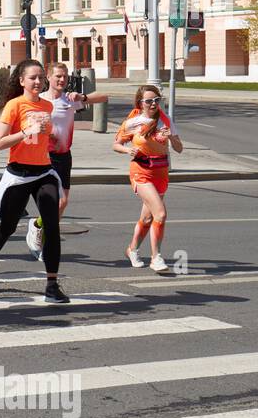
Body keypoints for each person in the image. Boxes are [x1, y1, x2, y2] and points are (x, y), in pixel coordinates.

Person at [0, 59, 68, 303]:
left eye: (41, 77)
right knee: (8, 227)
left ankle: (52, 284)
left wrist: (50, 135)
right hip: (18, 175)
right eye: (33, 78)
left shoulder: (48, 106)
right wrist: (25, 133)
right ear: (21, 81)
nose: (38, 81)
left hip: (43, 172)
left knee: (52, 225)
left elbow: (47, 136)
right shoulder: (14, 105)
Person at [29, 62, 110, 257]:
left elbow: (104, 97)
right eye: (58, 76)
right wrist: (46, 137)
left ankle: (39, 226)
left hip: (64, 156)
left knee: (62, 203)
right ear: (48, 77)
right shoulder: (39, 102)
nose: (62, 79)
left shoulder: (69, 100)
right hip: (44, 157)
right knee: (53, 202)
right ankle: (47, 241)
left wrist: (82, 96)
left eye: (65, 76)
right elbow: (31, 135)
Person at [113, 84, 183, 274]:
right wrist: (128, 149)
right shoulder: (133, 122)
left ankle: (132, 249)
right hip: (141, 171)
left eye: (156, 100)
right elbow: (116, 144)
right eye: (149, 101)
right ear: (140, 103)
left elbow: (179, 148)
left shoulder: (165, 121)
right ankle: (156, 257)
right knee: (160, 213)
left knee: (147, 217)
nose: (153, 104)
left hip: (161, 172)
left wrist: (172, 138)